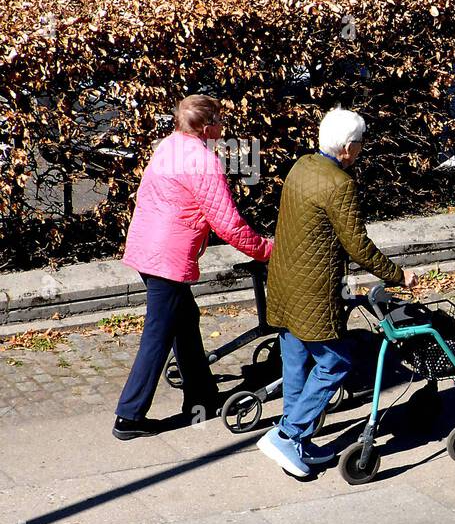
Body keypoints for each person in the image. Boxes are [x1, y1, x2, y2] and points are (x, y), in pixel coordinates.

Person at [259, 108, 417, 477]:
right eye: (360, 145)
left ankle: (294, 435)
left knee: (296, 359)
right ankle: (288, 434)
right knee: (335, 362)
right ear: (347, 147)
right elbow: (357, 245)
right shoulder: (340, 184)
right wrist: (397, 275)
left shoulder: (301, 166)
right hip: (314, 291)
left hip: (284, 283)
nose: (361, 150)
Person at [114, 95, 274, 440]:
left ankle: (201, 396)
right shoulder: (203, 162)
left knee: (185, 320)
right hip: (168, 261)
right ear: (206, 127)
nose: (223, 126)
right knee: (157, 335)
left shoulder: (168, 146)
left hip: (147, 250)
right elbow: (228, 225)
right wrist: (266, 251)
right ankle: (129, 416)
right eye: (219, 119)